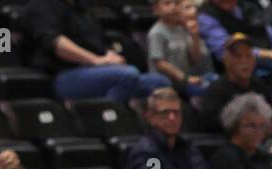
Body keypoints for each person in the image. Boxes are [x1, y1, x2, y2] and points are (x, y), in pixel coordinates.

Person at [24, 0, 172, 103]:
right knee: (127, 75)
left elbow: (96, 42)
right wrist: (96, 60)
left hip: (96, 72)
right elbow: (56, 43)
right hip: (63, 75)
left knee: (159, 82)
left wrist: (110, 55)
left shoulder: (81, 8)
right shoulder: (41, 5)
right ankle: (109, 118)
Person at [196, 2, 272, 95]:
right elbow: (223, 53)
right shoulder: (206, 16)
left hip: (269, 58)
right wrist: (271, 55)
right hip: (235, 70)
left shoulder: (248, 6)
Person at [198, 33, 272, 131]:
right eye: (238, 56)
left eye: (248, 56)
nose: (244, 61)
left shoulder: (259, 86)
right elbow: (210, 126)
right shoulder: (216, 91)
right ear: (226, 60)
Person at [148, 0, 216, 98]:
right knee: (213, 91)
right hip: (170, 84)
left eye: (175, 3)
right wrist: (185, 78)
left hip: (191, 78)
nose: (173, 7)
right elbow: (160, 63)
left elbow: (195, 59)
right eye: (167, 3)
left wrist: (195, 37)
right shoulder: (156, 33)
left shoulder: (182, 27)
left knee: (219, 82)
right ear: (156, 9)